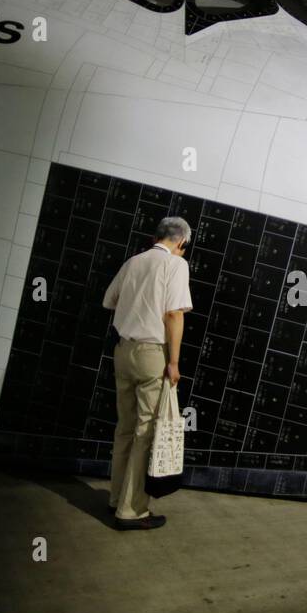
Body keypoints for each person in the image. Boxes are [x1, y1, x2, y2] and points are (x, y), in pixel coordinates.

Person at [101, 216, 193, 531]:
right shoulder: (176, 266)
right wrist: (174, 362)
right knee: (145, 433)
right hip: (153, 355)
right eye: (185, 247)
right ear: (180, 242)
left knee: (124, 428)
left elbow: (109, 301)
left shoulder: (134, 261)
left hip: (123, 351)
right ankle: (131, 510)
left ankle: (116, 497)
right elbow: (174, 314)